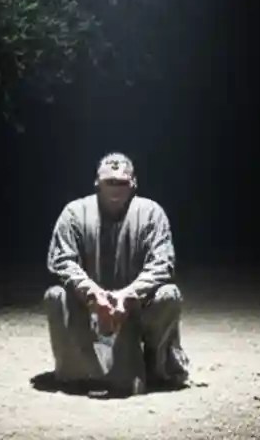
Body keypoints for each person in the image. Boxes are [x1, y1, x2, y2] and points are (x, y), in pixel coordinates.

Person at [43, 152, 191, 396]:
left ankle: (158, 366)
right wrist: (93, 294)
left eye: (122, 182)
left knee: (169, 295)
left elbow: (163, 263)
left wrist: (128, 295)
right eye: (109, 182)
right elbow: (61, 260)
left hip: (136, 305)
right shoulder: (74, 213)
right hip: (88, 305)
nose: (115, 188)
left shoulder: (152, 213)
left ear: (133, 184)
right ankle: (74, 372)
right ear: (97, 183)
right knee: (55, 295)